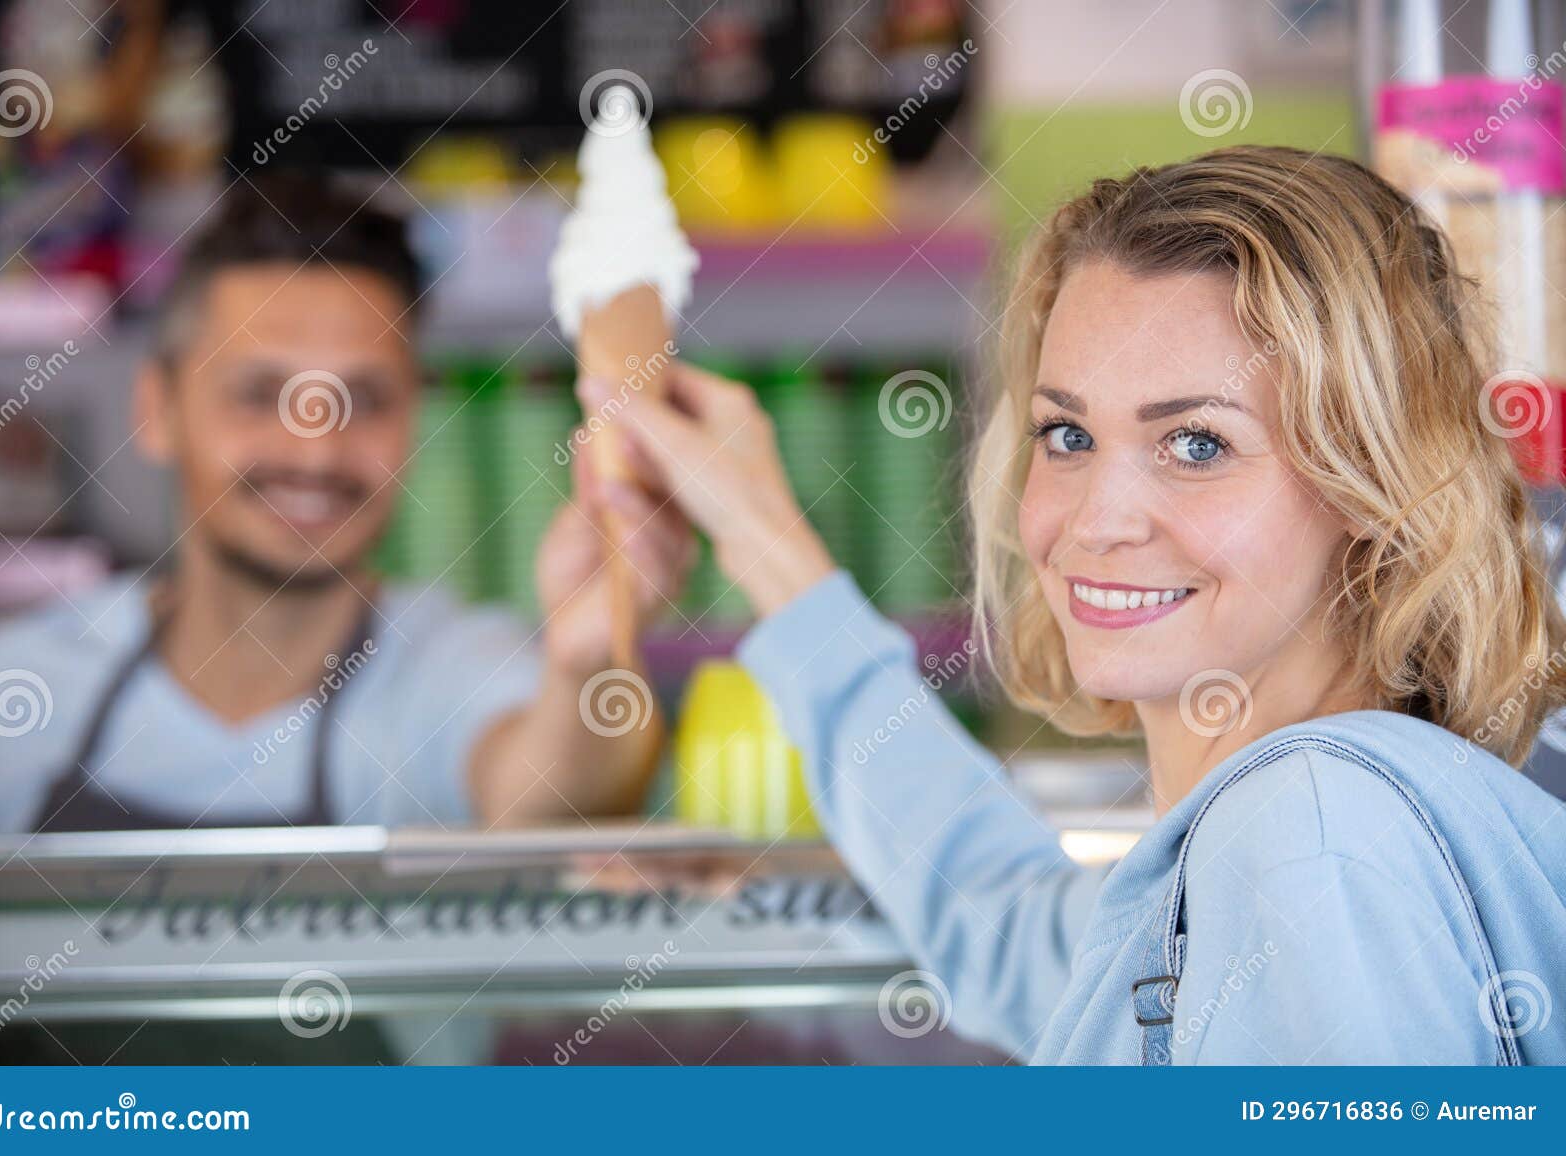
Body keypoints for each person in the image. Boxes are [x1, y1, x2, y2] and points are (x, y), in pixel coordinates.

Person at [598, 145, 1566, 1064]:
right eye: (1065, 435)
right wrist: (765, 538)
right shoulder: (1271, 840)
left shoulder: (1304, 839)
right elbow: (1004, 919)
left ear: (1370, 485)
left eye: (1194, 444)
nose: (1095, 521)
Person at [0, 172, 693, 836]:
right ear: (158, 410)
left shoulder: (447, 670)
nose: (315, 453)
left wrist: (591, 663)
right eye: (260, 394)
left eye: (364, 399)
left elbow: (551, 799)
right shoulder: (17, 691)